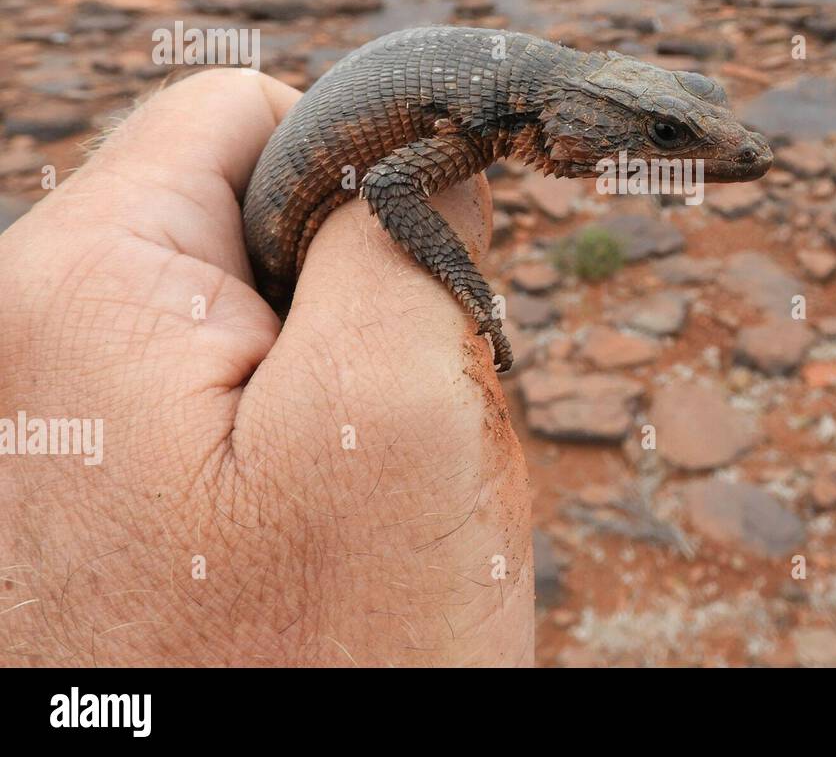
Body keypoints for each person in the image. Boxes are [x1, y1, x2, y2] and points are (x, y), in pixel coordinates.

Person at [0, 69, 533, 666]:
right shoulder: (484, 117)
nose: (656, 161)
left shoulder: (493, 113)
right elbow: (388, 184)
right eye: (661, 135)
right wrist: (466, 283)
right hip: (270, 264)